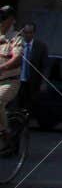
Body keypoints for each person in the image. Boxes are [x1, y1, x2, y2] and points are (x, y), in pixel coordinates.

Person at [0, 7, 25, 141]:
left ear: (11, 20)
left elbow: (17, 59)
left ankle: (4, 132)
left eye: (4, 18)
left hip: (9, 82)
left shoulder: (16, 37)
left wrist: (2, 68)